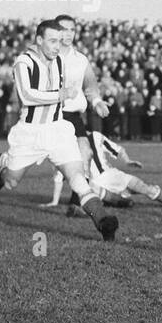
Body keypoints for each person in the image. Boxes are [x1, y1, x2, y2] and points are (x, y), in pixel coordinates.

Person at [0, 19, 118, 241]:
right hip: (30, 132)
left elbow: (85, 83)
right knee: (11, 181)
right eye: (52, 41)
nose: (58, 46)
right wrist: (59, 95)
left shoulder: (61, 61)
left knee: (77, 178)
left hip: (58, 129)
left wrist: (95, 100)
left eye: (60, 41)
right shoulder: (23, 62)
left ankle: (103, 222)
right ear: (39, 40)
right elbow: (27, 96)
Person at [44, 14, 112, 207]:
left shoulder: (81, 59)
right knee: (26, 161)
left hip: (72, 116)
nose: (68, 34)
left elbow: (90, 85)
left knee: (85, 153)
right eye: (63, 29)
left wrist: (97, 101)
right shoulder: (44, 56)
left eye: (72, 29)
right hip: (50, 115)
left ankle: (76, 202)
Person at [70, 130, 162, 211]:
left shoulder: (95, 136)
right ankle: (120, 201)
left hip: (110, 175)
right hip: (91, 182)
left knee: (140, 186)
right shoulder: (68, 143)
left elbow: (118, 149)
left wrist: (127, 160)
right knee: (92, 188)